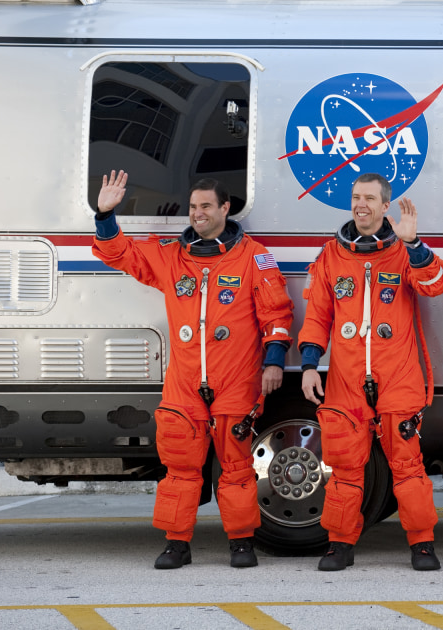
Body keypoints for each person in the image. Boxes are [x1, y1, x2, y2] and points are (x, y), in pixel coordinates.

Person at [92, 170, 294, 569]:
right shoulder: (172, 257)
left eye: (205, 206)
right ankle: (176, 543)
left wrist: (273, 363)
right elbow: (121, 254)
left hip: (236, 378)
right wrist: (105, 215)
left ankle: (240, 542)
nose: (197, 214)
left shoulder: (254, 257)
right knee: (180, 467)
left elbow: (277, 314)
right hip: (185, 382)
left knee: (236, 466)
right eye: (192, 207)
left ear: (225, 208)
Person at [298, 173, 443, 572]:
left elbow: (435, 285)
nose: (360, 204)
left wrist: (414, 244)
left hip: (397, 376)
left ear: (385, 206)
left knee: (408, 466)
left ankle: (422, 544)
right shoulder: (330, 255)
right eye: (355, 197)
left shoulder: (403, 253)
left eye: (369, 198)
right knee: (345, 466)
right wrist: (310, 366)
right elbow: (318, 317)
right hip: (346, 380)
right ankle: (340, 544)